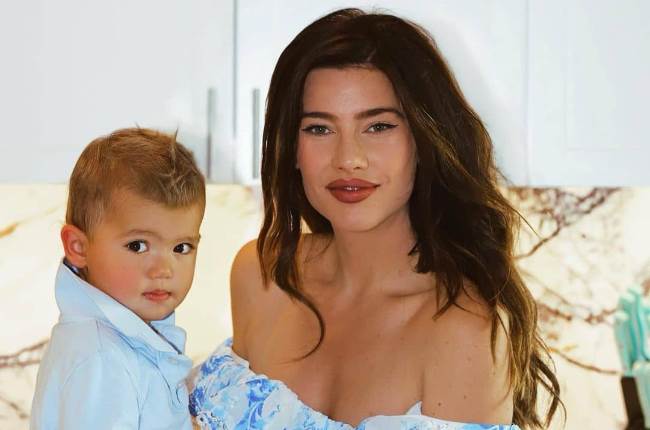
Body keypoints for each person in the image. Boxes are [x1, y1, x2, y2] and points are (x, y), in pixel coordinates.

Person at [190, 8, 562, 429]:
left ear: (423, 141)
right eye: (318, 128)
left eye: (378, 126)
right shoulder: (262, 275)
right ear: (291, 148)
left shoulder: (463, 330)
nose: (348, 158)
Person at [30, 128, 206, 429]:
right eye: (138, 246)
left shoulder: (115, 344)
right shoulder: (101, 358)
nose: (164, 269)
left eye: (181, 248)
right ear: (78, 247)